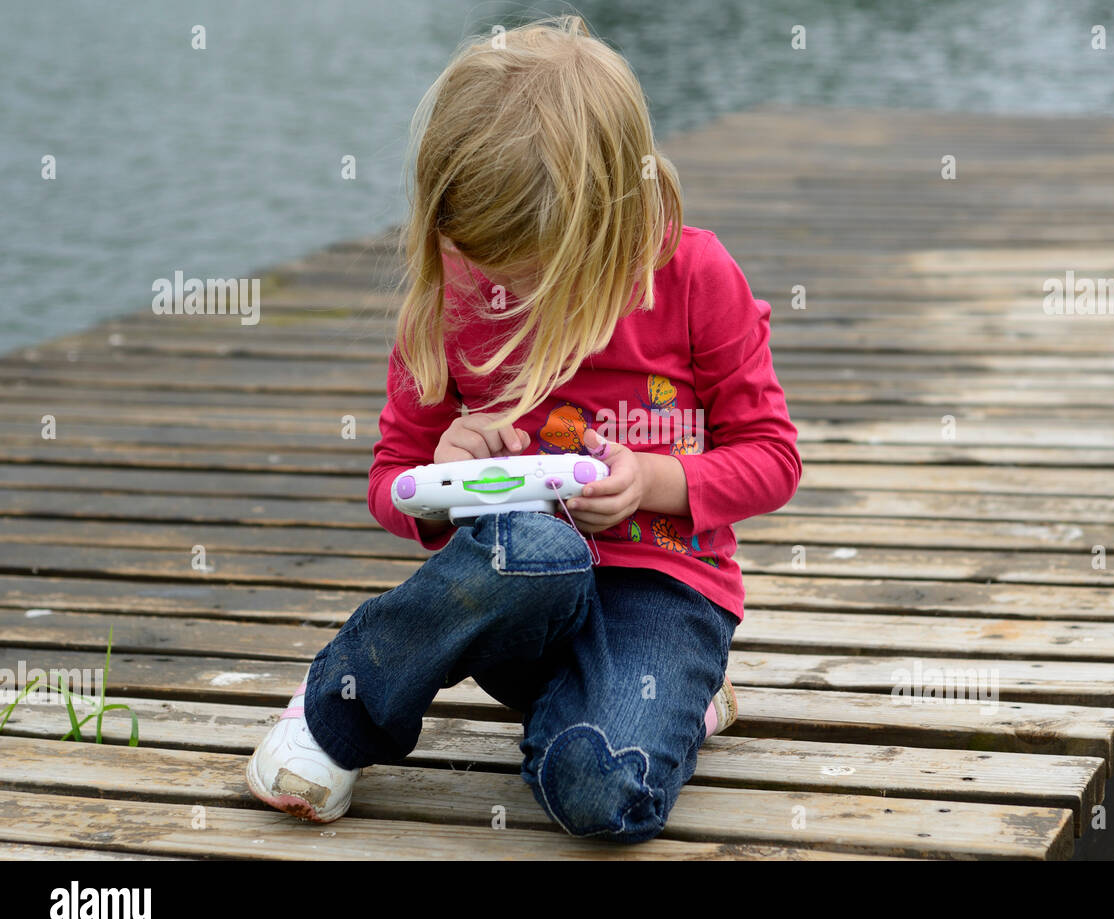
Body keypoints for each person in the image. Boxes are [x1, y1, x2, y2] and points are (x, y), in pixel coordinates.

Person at [245, 15, 801, 844]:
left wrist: (657, 483)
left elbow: (772, 457)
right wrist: (439, 477)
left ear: (608, 221)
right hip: (520, 591)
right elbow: (390, 479)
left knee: (602, 795)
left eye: (539, 271)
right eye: (484, 261)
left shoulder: (695, 276)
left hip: (666, 590)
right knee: (537, 550)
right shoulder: (451, 299)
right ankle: (334, 714)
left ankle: (673, 701)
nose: (509, 294)